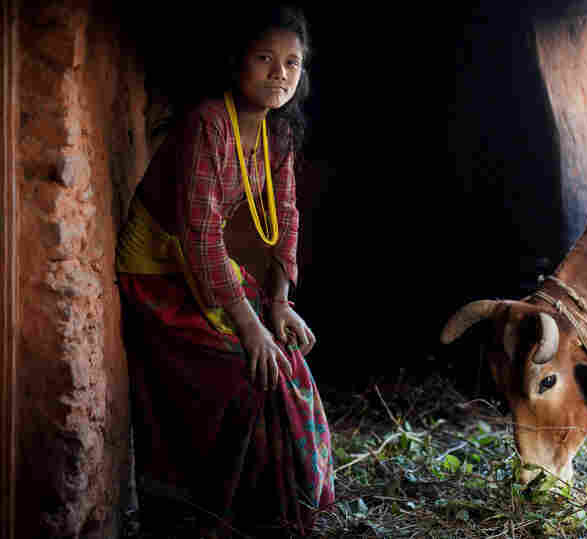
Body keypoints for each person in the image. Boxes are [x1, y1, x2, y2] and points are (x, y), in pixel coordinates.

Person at [115, 6, 334, 537]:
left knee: (283, 358)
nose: (279, 73)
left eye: (292, 63)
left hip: (200, 265)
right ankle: (219, 508)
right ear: (237, 63)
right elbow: (199, 233)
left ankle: (285, 506)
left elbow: (286, 217)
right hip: (156, 270)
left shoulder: (279, 132)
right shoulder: (209, 122)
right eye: (265, 58)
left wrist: (279, 302)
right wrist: (249, 324)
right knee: (245, 367)